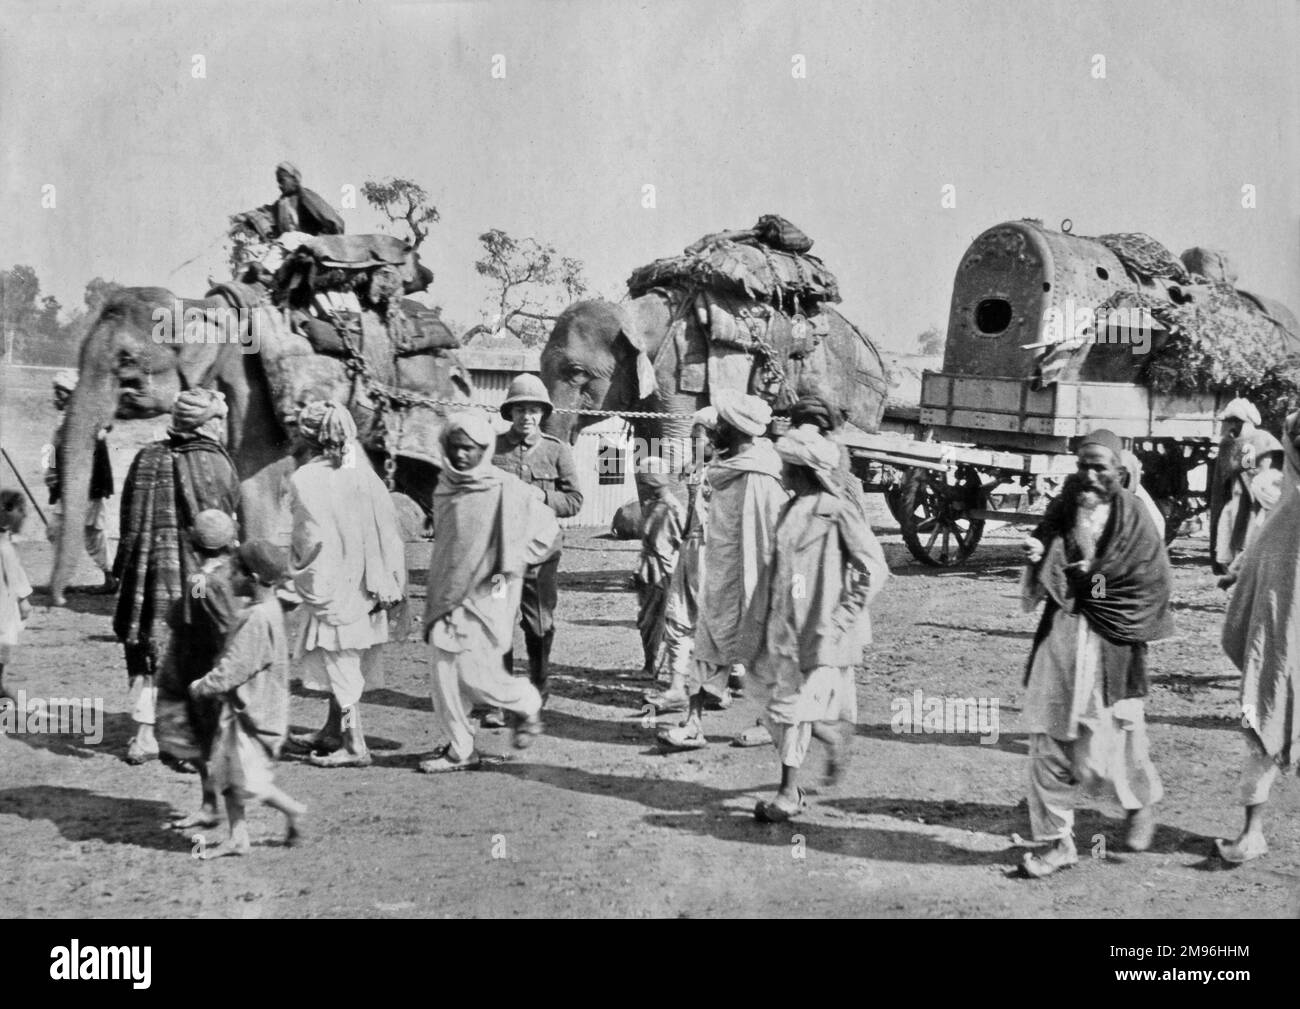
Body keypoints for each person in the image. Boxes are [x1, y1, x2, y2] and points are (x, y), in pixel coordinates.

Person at [1017, 429, 1173, 878]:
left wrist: (1094, 578)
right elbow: (1046, 538)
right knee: (1046, 739)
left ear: (1118, 471)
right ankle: (1056, 841)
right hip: (1062, 636)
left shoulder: (1137, 516)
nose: (1088, 475)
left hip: (1111, 645)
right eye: (1083, 464)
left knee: (1105, 747)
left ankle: (1140, 801)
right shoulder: (1068, 502)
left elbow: (1150, 581)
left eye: (1098, 467)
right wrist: (1037, 549)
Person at [740, 424, 889, 820]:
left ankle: (789, 793)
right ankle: (829, 733)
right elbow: (776, 571)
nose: (782, 472)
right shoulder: (788, 510)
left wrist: (841, 617)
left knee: (789, 709)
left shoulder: (836, 511)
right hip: (781, 625)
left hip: (818, 630)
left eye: (787, 466)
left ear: (802, 470)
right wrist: (756, 623)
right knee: (763, 697)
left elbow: (873, 566)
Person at [419, 412, 560, 773]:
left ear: (483, 449)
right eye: (454, 448)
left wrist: (511, 566)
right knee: (443, 673)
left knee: (474, 674)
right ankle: (460, 747)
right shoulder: (445, 486)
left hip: (484, 597)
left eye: (468, 449)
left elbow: (547, 531)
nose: (461, 456)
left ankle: (525, 701)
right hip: (445, 594)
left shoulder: (505, 488)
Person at [113, 389, 240, 765]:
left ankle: (144, 736)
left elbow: (127, 518)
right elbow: (221, 526)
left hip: (147, 570)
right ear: (208, 423)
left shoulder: (146, 455)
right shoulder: (214, 462)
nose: (222, 426)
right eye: (219, 419)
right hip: (193, 575)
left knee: (148, 647)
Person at [658, 391, 788, 750]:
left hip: (755, 581)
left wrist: (764, 590)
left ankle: (768, 722)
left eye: (722, 426)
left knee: (763, 652)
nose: (715, 431)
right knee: (706, 642)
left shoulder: (761, 474)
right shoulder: (724, 468)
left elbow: (767, 540)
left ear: (740, 430)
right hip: (719, 575)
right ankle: (692, 724)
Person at [285, 400, 406, 768]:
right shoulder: (364, 474)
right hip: (370, 589)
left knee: (342, 671)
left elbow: (309, 541)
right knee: (344, 663)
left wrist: (298, 577)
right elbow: (391, 531)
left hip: (336, 588)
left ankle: (354, 744)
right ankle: (331, 729)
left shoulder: (307, 478)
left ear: (309, 437)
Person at [1216, 410, 1300, 862]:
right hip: (1280, 636)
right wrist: (1242, 574)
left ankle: (1250, 836)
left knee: (1265, 726)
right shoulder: (1283, 504)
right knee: (1267, 726)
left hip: (1280, 642)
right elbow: (1262, 558)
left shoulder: (1287, 502)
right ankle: (1249, 835)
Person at [189, 540, 308, 858]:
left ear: (252, 578)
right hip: (246, 709)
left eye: (235, 572)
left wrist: (202, 686)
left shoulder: (257, 619)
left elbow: (235, 668)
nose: (230, 578)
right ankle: (238, 836)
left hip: (255, 713)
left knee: (249, 781)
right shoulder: (266, 610)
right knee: (228, 772)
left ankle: (293, 810)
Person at [489, 374, 583, 716]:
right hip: (498, 554)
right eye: (520, 410)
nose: (526, 417)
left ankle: (539, 686)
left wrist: (543, 495)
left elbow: (575, 501)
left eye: (533, 410)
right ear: (510, 413)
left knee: (538, 621)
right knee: (496, 619)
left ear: (543, 414)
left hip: (539, 554)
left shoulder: (557, 450)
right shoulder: (492, 448)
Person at [155, 509, 242, 828]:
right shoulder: (230, 572)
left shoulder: (199, 581)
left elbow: (190, 617)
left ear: (193, 543)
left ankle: (211, 805)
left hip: (198, 666)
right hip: (216, 665)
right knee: (210, 739)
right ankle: (212, 805)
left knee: (203, 739)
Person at [644, 417, 714, 713]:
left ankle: (710, 686)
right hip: (693, 546)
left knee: (700, 621)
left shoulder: (725, 473)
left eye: (699, 439)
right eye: (692, 439)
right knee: (680, 618)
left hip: (712, 550)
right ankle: (680, 687)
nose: (694, 444)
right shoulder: (694, 470)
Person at [45, 370, 116, 600]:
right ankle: (65, 579)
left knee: (89, 532)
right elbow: (53, 446)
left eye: (61, 392)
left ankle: (109, 576)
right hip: (72, 485)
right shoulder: (66, 418)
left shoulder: (86, 416)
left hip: (88, 485)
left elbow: (104, 425)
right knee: (58, 529)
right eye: (56, 392)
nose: (56, 397)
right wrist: (50, 470)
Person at [634, 458, 686, 679]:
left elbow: (684, 542)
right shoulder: (651, 506)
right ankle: (650, 664)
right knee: (647, 619)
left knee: (657, 619)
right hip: (647, 570)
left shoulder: (672, 509)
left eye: (645, 482)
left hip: (663, 572)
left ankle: (653, 668)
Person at [1213, 430, 1283, 578]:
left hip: (1252, 501)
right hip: (1244, 499)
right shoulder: (1249, 444)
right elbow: (1247, 472)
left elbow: (1248, 472)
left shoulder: (1251, 443)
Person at [1210, 398, 1263, 574]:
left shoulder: (1249, 443)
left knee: (1245, 542)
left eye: (1235, 421)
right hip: (1234, 498)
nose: (1231, 425)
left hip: (1248, 502)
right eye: (1230, 421)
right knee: (1227, 541)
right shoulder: (1230, 442)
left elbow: (1249, 473)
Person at [233, 162, 345, 241]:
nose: (280, 186)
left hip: (308, 241)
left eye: (282, 180)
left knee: (288, 238)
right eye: (278, 182)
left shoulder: (305, 196)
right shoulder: (281, 203)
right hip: (289, 243)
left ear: (294, 179)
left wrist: (327, 237)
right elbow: (265, 213)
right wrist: (244, 217)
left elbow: (329, 218)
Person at [0, 490, 34, 706]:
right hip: (3, 607)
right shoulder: (4, 547)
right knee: (2, 647)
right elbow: (13, 574)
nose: (25, 516)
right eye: (22, 511)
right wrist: (24, 600)